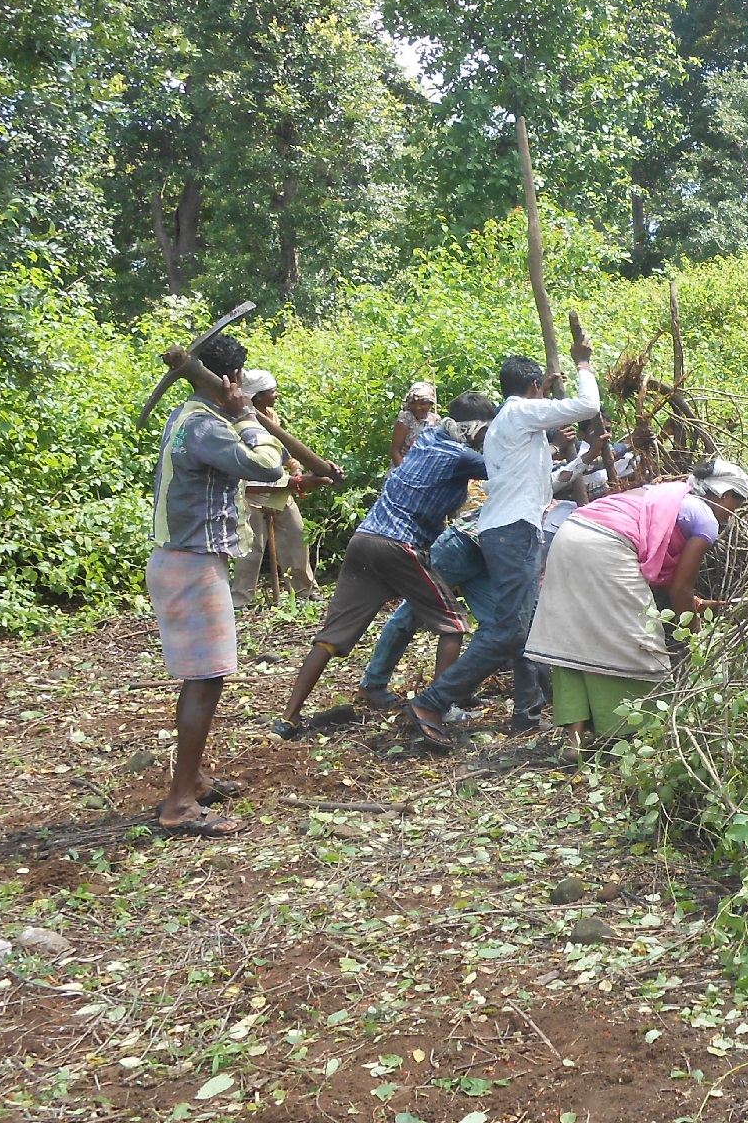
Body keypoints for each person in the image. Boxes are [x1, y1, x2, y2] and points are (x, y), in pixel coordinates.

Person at [404, 330, 602, 749]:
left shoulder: (512, 429)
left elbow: (542, 485)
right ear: (533, 389)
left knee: (524, 626)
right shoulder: (516, 415)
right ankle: (432, 701)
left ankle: (526, 715)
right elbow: (588, 405)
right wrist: (582, 362)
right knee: (511, 629)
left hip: (510, 526)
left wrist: (586, 458)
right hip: (512, 532)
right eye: (541, 391)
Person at [274, 410, 494, 739]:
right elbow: (505, 465)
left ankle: (288, 718)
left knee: (331, 637)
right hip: (399, 545)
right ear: (473, 430)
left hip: (365, 539)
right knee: (453, 624)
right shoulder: (460, 455)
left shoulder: (427, 438)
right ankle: (439, 706)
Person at [146, 332, 288, 837]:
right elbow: (266, 464)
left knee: (204, 677)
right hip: (191, 562)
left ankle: (194, 779)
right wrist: (248, 415)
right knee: (207, 678)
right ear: (230, 380)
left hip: (183, 559)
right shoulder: (207, 426)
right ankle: (180, 803)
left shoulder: (190, 418)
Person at [526, 459, 748, 759]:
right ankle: (635, 738)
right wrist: (697, 643)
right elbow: (679, 590)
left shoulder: (667, 493)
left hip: (570, 535)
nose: (733, 512)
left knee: (577, 636)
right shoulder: (706, 519)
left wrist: (693, 604)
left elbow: (659, 569)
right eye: (737, 503)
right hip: (607, 546)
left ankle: (574, 743)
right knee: (641, 642)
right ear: (725, 495)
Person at [356, 390, 499, 706]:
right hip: (454, 544)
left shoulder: (442, 437)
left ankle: (454, 690)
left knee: (497, 622)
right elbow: (503, 470)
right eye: (484, 430)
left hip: (478, 547)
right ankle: (377, 683)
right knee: (411, 616)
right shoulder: (451, 450)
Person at [230, 370, 325, 608]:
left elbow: (280, 450)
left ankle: (304, 591)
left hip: (279, 484)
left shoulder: (271, 415)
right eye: (272, 391)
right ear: (258, 396)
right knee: (252, 546)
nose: (276, 395)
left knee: (296, 532)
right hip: (250, 489)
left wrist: (294, 465)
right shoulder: (237, 421)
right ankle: (241, 600)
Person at [390, 381, 440, 467]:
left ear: (431, 404)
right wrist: (405, 473)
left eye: (423, 404)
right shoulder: (406, 418)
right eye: (413, 403)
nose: (418, 407)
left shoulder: (435, 420)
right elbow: (395, 451)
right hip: (403, 467)